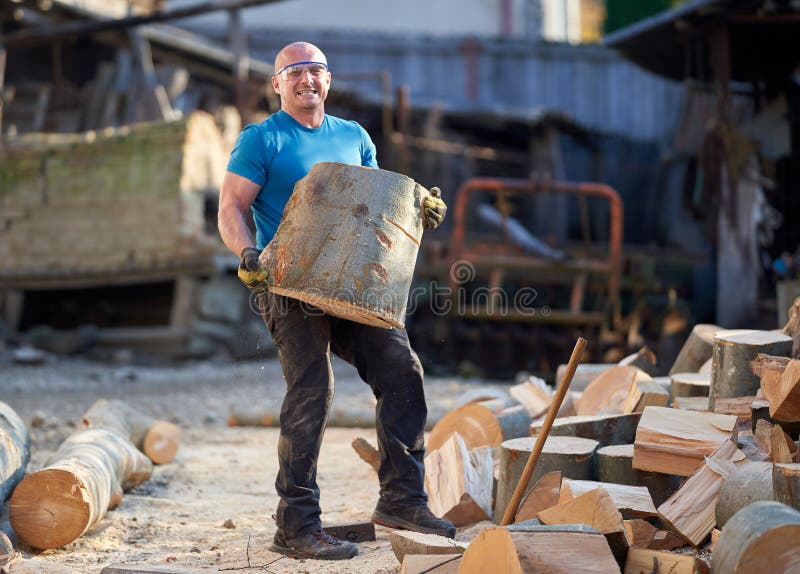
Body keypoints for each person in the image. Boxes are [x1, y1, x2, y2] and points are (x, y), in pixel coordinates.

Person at [217, 41, 452, 561]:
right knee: (312, 392)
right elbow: (230, 206)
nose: (307, 80)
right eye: (295, 71)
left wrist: (417, 208)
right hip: (291, 281)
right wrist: (249, 253)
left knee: (402, 373)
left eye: (316, 71)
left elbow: (377, 202)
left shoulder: (354, 135)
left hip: (354, 282)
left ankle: (402, 501)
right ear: (277, 83)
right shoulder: (262, 139)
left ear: (328, 80)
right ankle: (296, 525)